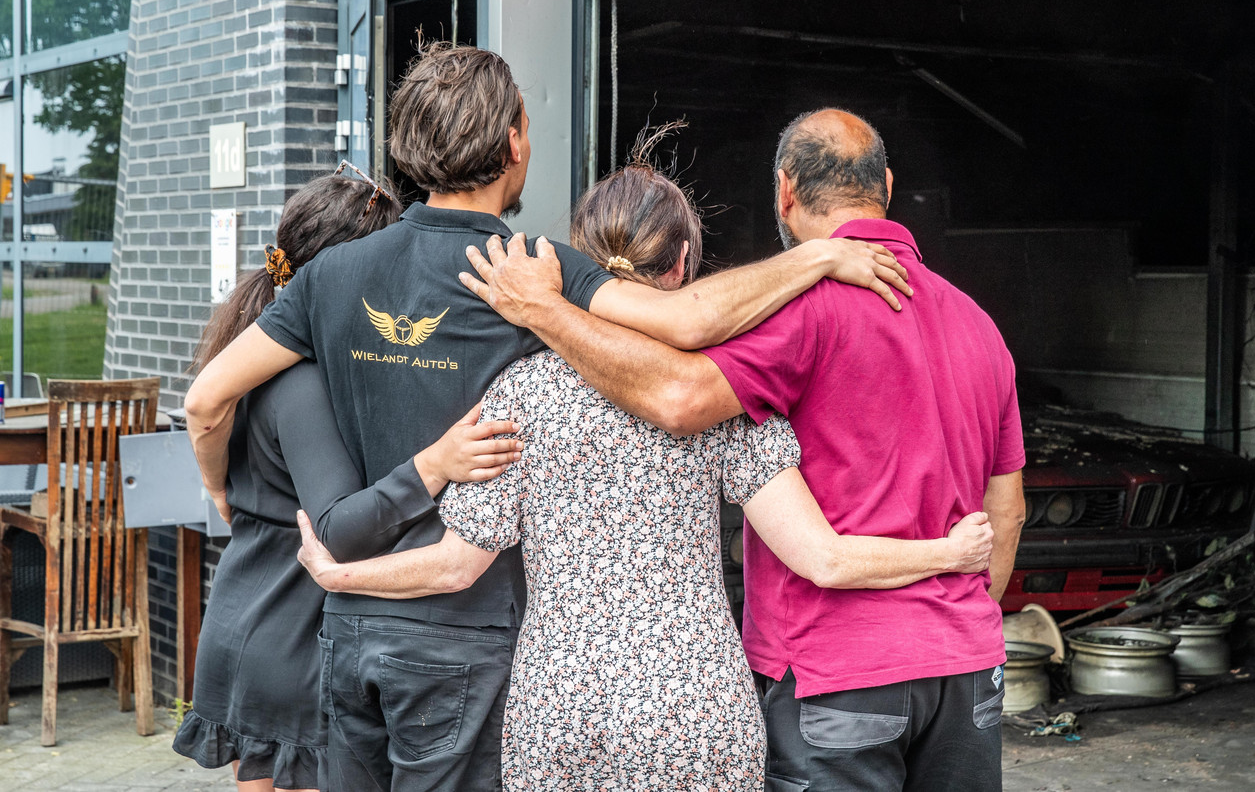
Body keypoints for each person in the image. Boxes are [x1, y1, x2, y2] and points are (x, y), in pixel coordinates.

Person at [184, 46, 912, 792]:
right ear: (512, 145)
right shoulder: (529, 270)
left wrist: (223, 496)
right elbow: (686, 324)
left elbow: (206, 399)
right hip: (464, 638)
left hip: (348, 627)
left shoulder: (329, 276)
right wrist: (816, 259)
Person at [293, 136, 998, 791]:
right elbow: (824, 559)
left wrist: (341, 574)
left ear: (575, 260)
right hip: (697, 715)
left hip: (560, 714)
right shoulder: (726, 399)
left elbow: (454, 565)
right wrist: (948, 553)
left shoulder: (520, 396)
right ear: (684, 265)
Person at [174, 168, 516, 791]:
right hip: (291, 632)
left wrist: (216, 484)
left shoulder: (245, 354)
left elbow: (203, 409)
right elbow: (336, 529)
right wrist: (434, 465)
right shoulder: (301, 381)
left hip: (247, 611)